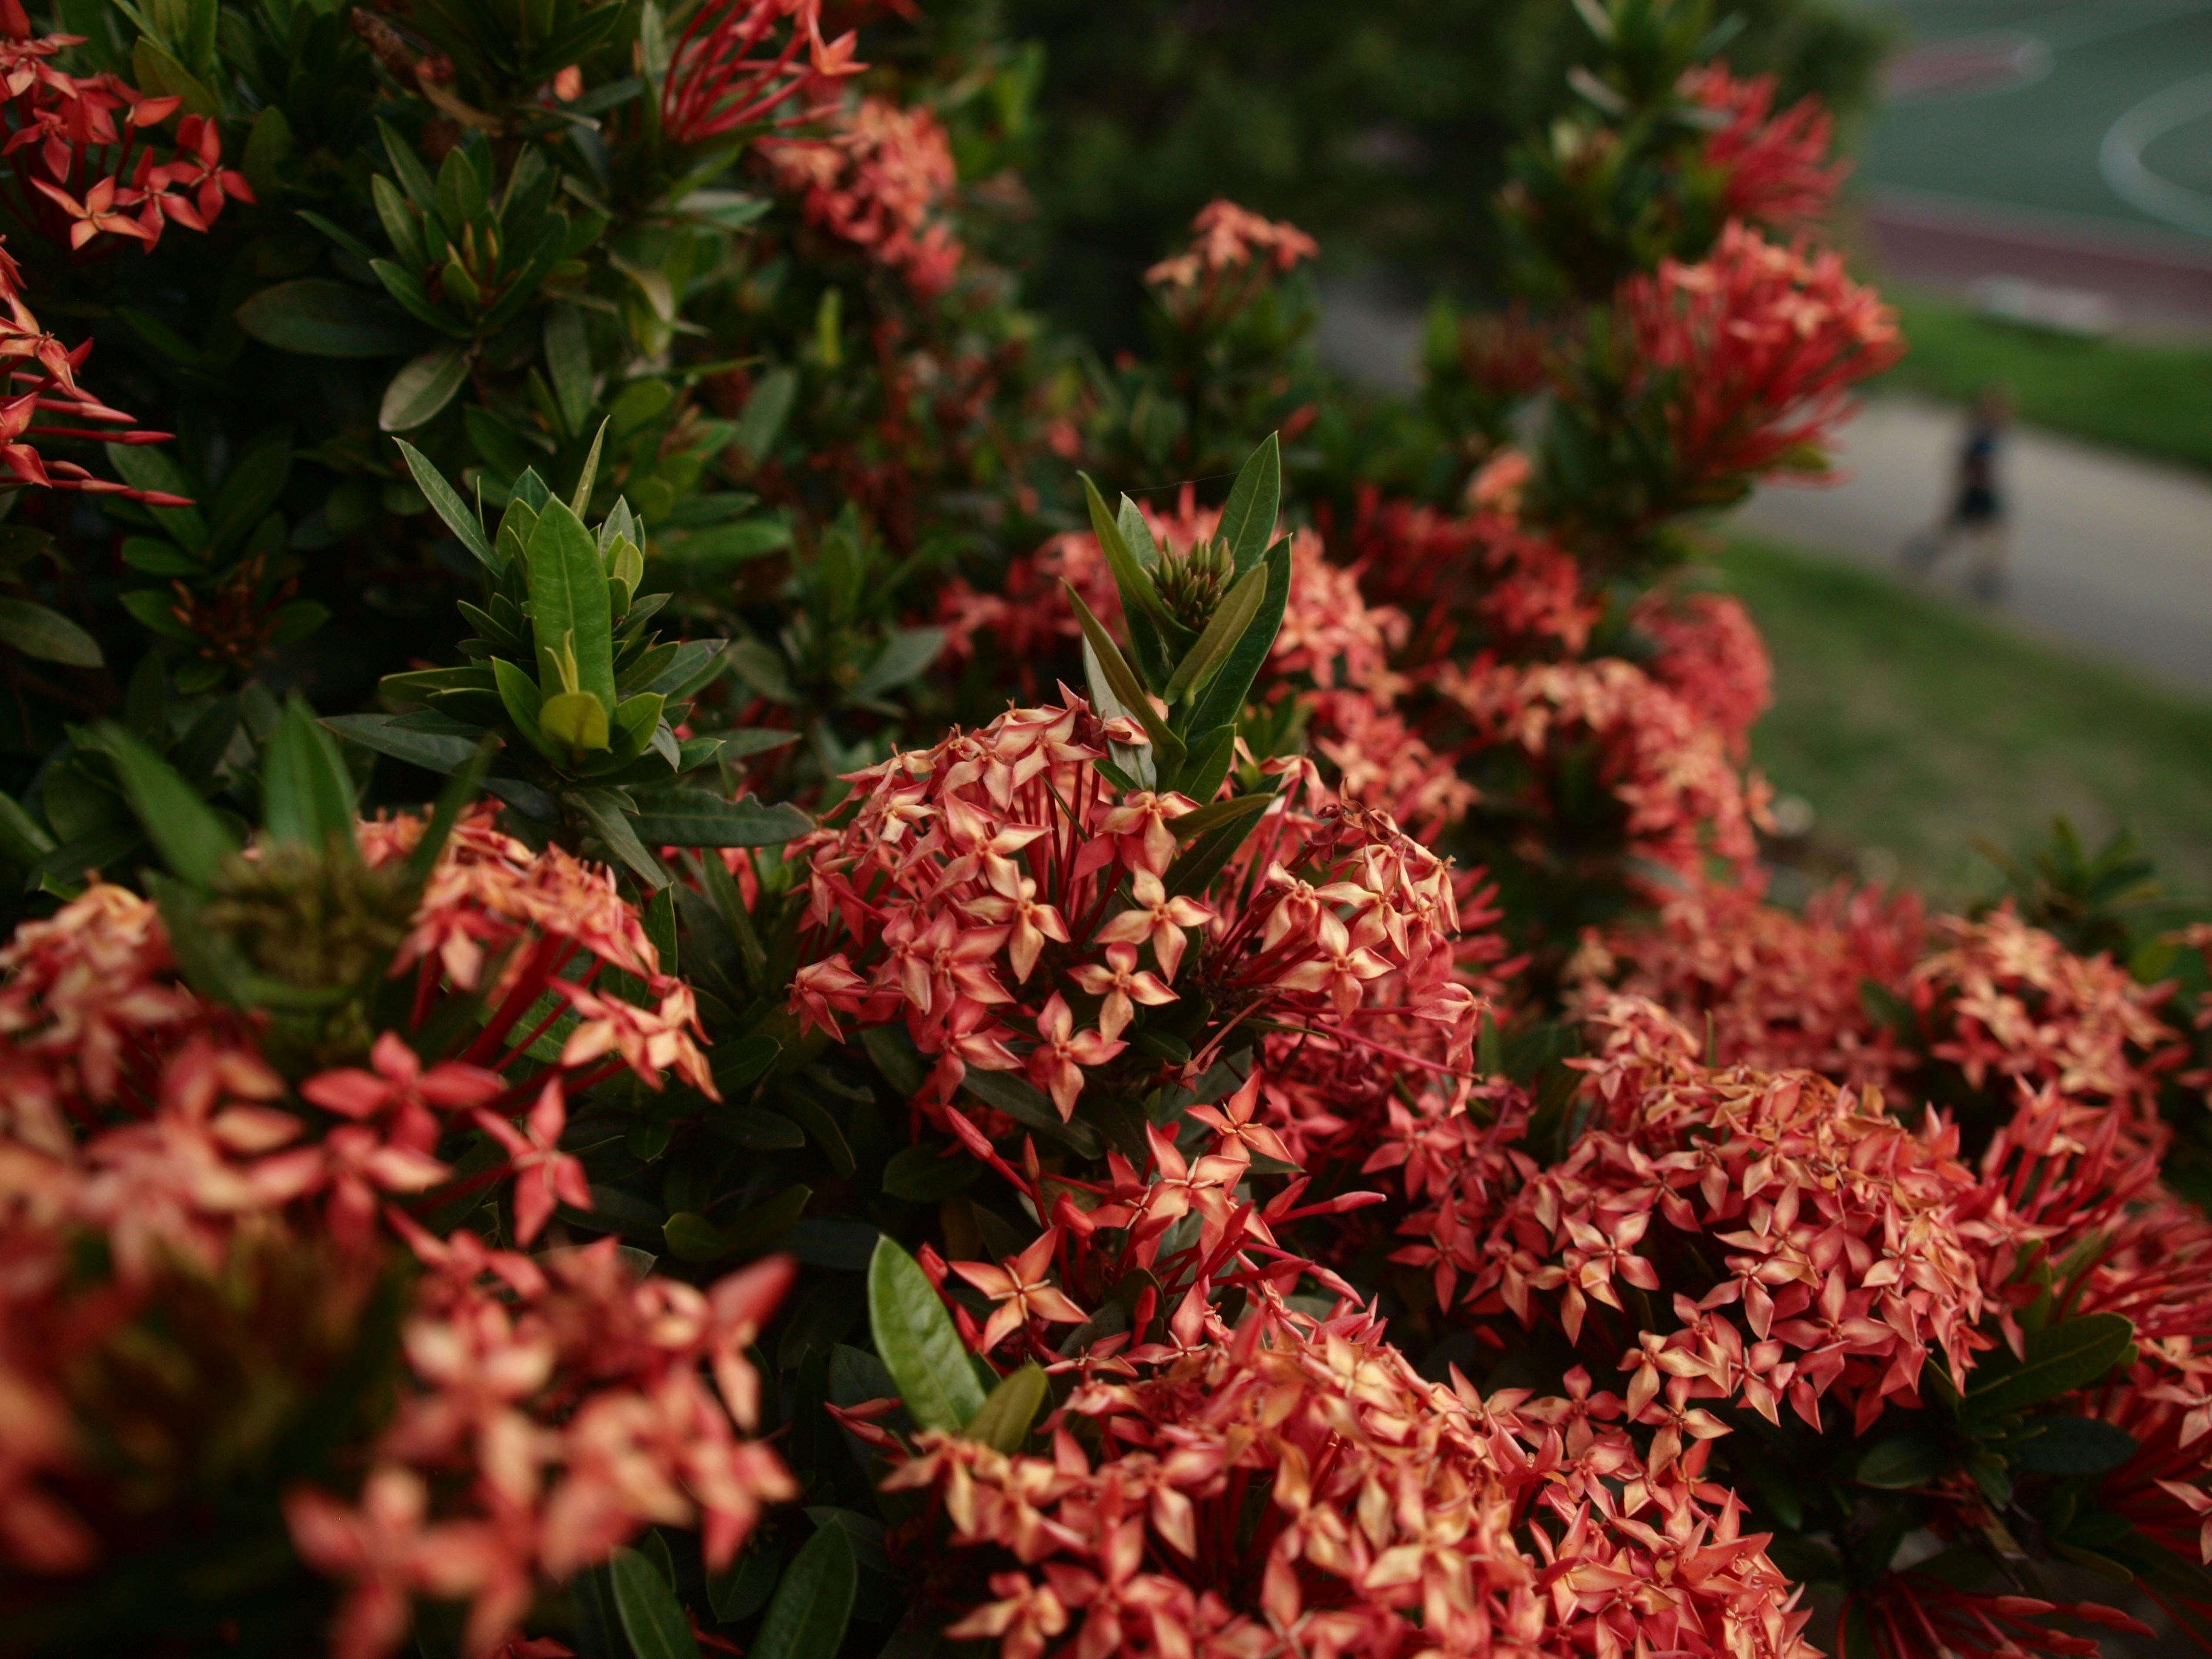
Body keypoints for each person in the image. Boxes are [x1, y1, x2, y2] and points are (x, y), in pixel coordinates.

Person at [1900, 386, 2012, 600]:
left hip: (1978, 492)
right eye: (2002, 408)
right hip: (1976, 493)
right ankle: (1984, 580)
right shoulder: (1981, 433)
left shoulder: (1989, 431)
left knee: (1984, 535)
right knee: (1963, 535)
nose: (2007, 413)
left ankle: (1984, 578)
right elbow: (1969, 462)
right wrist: (1973, 482)